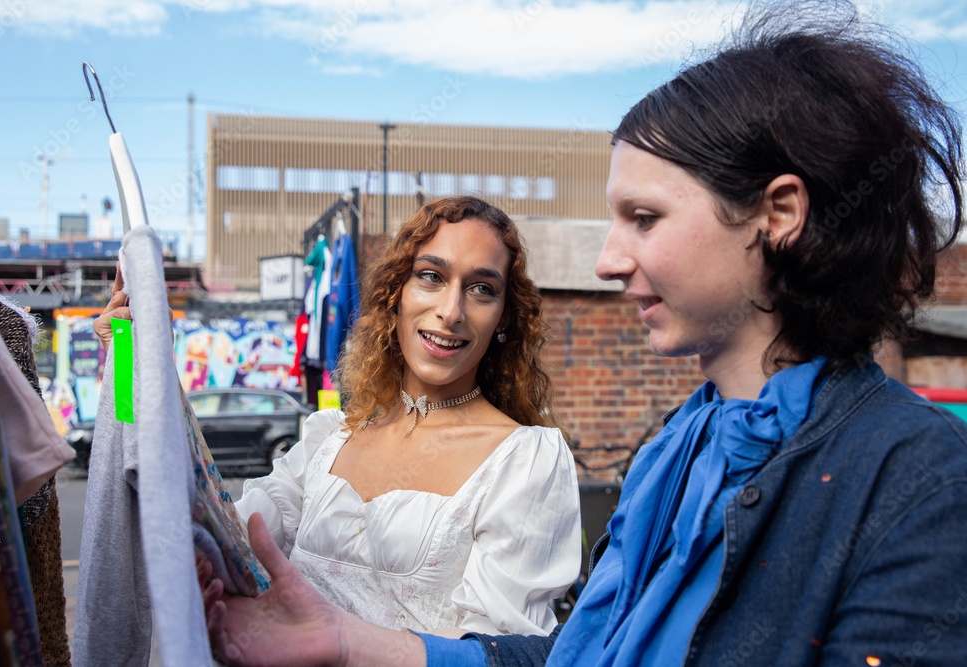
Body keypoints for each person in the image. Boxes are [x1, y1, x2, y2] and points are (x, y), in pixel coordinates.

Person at [198, 1, 967, 665]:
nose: (606, 259)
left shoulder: (918, 480)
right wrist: (342, 639)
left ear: (778, 214)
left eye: (644, 217)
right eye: (429, 277)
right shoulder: (679, 448)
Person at [96, 196, 581, 636]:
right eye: (431, 276)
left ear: (502, 320)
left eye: (481, 289)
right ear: (395, 296)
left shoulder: (524, 461)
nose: (450, 311)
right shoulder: (332, 436)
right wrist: (131, 358)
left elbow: (495, 656)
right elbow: (215, 541)